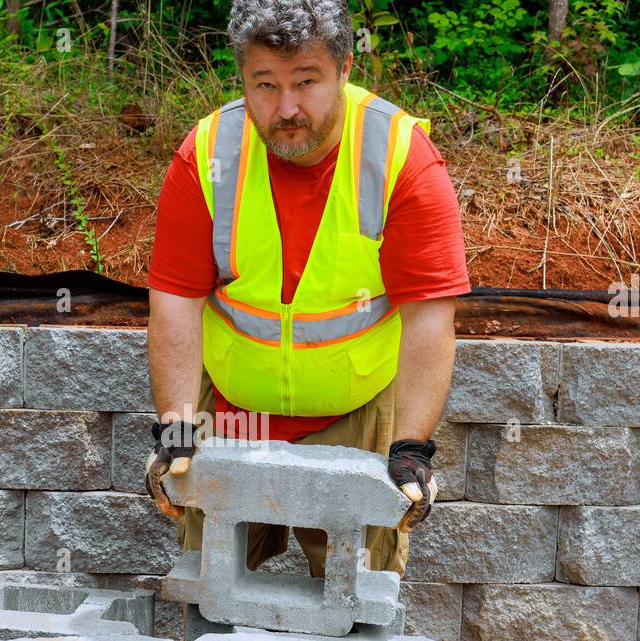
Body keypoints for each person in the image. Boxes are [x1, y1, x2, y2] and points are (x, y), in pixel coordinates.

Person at [145, 0, 470, 578]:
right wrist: (177, 424)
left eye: (306, 82)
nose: (285, 107)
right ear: (241, 77)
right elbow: (175, 299)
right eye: (264, 85)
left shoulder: (400, 158)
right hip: (232, 411)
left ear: (344, 69)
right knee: (210, 588)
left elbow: (428, 319)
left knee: (359, 603)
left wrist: (412, 448)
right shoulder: (208, 154)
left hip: (356, 409)